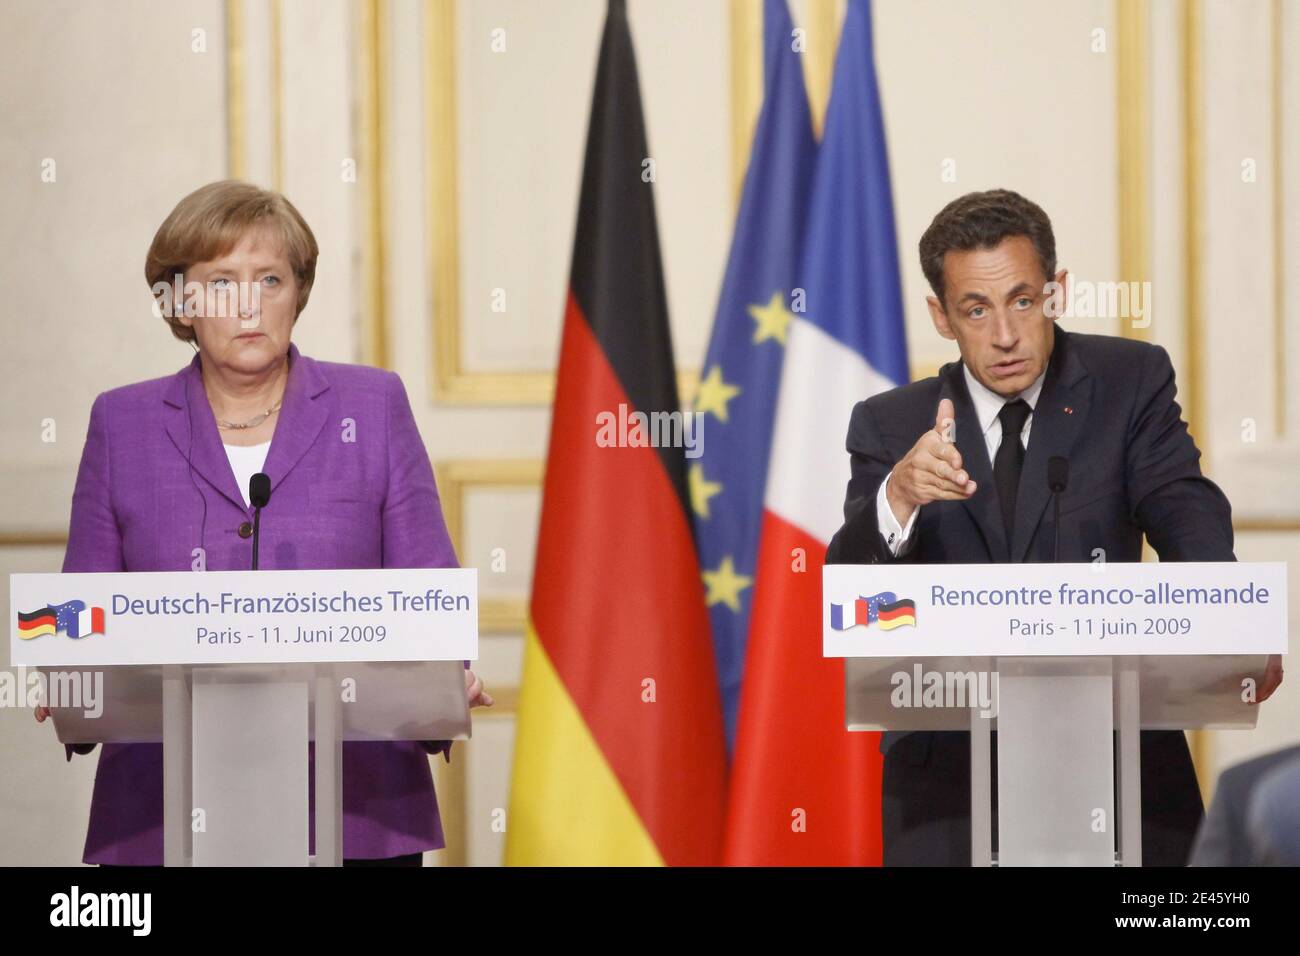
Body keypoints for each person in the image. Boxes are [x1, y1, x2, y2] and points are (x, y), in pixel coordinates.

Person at [36, 179, 492, 866]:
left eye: (270, 279)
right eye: (221, 282)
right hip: (166, 813)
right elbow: (84, 604)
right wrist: (67, 674)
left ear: (297, 294)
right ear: (181, 302)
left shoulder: (371, 407)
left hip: (352, 808)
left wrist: (443, 678)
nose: (248, 304)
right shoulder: (122, 424)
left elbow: (424, 578)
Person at [826, 188, 1283, 866]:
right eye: (976, 310)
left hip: (1117, 754)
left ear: (1056, 292)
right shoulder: (892, 424)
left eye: (1022, 300)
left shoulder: (1129, 381)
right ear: (942, 317)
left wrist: (1230, 622)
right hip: (949, 782)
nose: (1005, 335)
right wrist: (898, 494)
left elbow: (1182, 504)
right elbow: (850, 583)